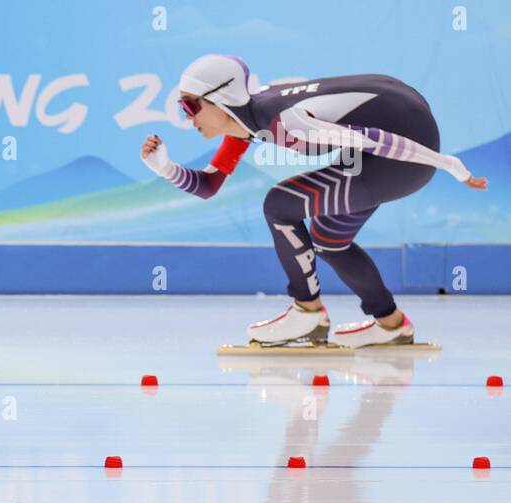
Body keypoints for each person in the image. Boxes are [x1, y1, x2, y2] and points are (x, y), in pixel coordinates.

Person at [141, 54, 488, 348]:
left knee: (279, 205)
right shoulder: (247, 121)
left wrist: (450, 166)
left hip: (404, 152)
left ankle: (307, 312)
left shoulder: (286, 121)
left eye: (189, 106)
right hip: (388, 141)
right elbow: (209, 185)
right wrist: (165, 169)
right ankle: (392, 325)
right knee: (329, 240)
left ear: (220, 100)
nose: (187, 118)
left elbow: (382, 142)